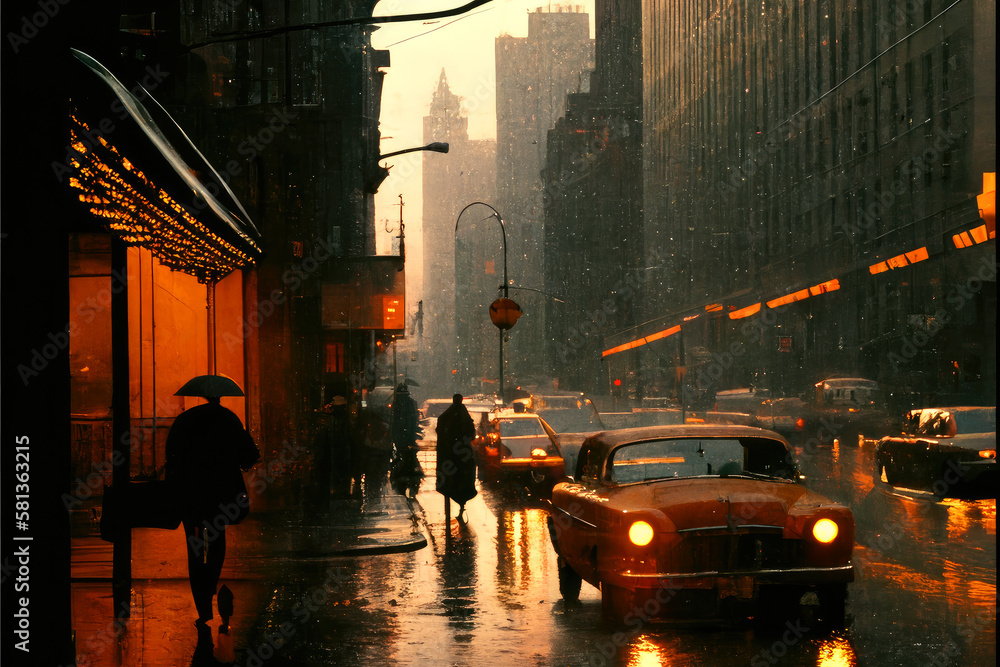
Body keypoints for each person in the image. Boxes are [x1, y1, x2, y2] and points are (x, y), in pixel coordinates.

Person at [165, 392, 259, 627]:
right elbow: (249, 455)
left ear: (202, 395)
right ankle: (211, 587)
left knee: (194, 546)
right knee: (216, 541)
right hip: (221, 494)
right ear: (220, 396)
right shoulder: (229, 419)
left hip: (190, 493)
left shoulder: (186, 419)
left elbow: (171, 455)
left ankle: (202, 603)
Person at [435, 393, 477, 520]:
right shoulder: (460, 416)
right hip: (456, 454)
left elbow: (441, 429)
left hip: (454, 453)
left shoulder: (449, 415)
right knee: (460, 476)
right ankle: (460, 503)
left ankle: (459, 502)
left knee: (458, 477)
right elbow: (471, 433)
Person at [390, 384, 424, 497]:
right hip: (406, 437)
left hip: (402, 437)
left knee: (402, 456)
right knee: (408, 456)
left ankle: (406, 476)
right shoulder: (408, 403)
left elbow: (395, 420)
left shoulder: (397, 404)